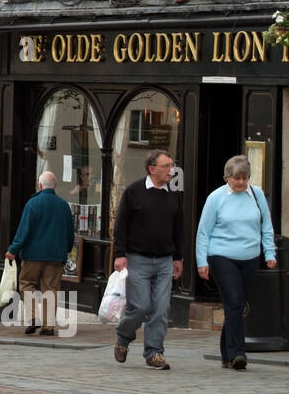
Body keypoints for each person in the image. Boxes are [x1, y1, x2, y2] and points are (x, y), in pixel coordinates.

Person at [197, 154, 277, 371]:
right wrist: (201, 261)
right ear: (227, 178)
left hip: (250, 257)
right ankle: (237, 353)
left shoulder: (257, 195)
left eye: (245, 178)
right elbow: (203, 232)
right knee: (234, 302)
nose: (241, 183)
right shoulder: (216, 198)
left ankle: (226, 354)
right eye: (236, 179)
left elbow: (266, 226)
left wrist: (269, 253)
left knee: (237, 306)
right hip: (221, 256)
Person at [112, 149, 185, 370]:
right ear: (152, 169)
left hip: (164, 260)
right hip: (138, 258)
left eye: (172, 165)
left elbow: (178, 228)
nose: (171, 170)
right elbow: (121, 225)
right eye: (167, 166)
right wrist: (120, 254)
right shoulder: (134, 191)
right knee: (140, 306)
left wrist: (178, 257)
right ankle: (123, 337)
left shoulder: (174, 193)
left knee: (161, 308)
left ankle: (154, 352)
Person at [6, 171, 75, 336]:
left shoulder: (33, 204)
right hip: (56, 256)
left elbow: (24, 230)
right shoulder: (64, 205)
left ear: (40, 185)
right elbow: (70, 233)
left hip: (33, 255)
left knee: (27, 284)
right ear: (55, 186)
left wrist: (13, 249)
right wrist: (65, 250)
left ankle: (33, 318)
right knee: (50, 289)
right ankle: (48, 326)